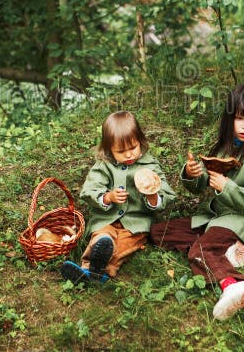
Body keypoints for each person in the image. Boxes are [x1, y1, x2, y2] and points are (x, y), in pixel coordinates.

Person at [150, 83, 244, 320]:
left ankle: (232, 284)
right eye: (240, 118)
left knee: (199, 249)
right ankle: (222, 252)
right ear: (229, 119)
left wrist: (227, 187)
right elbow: (202, 186)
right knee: (160, 232)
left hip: (241, 220)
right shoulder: (225, 147)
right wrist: (192, 174)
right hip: (216, 216)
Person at [61, 111, 176, 284]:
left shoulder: (150, 166)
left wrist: (153, 196)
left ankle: (95, 272)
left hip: (135, 224)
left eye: (133, 148)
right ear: (109, 150)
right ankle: (89, 267)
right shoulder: (104, 166)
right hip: (106, 219)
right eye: (121, 151)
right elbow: (89, 190)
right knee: (102, 237)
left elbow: (167, 194)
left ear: (141, 141)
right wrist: (108, 197)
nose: (129, 155)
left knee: (124, 245)